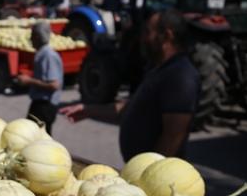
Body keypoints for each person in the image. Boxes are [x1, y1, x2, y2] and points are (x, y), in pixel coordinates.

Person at [60, 9, 199, 160]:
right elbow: (130, 107)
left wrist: (150, 173)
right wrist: (88, 110)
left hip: (154, 178)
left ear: (167, 36)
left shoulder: (180, 75)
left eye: (147, 32)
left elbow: (174, 135)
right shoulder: (158, 69)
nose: (142, 38)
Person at [13, 21, 63, 133]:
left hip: (45, 105)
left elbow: (54, 84)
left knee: (37, 138)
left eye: (32, 35)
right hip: (39, 103)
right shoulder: (42, 54)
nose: (30, 39)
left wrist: (29, 81)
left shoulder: (48, 55)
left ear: (37, 36)